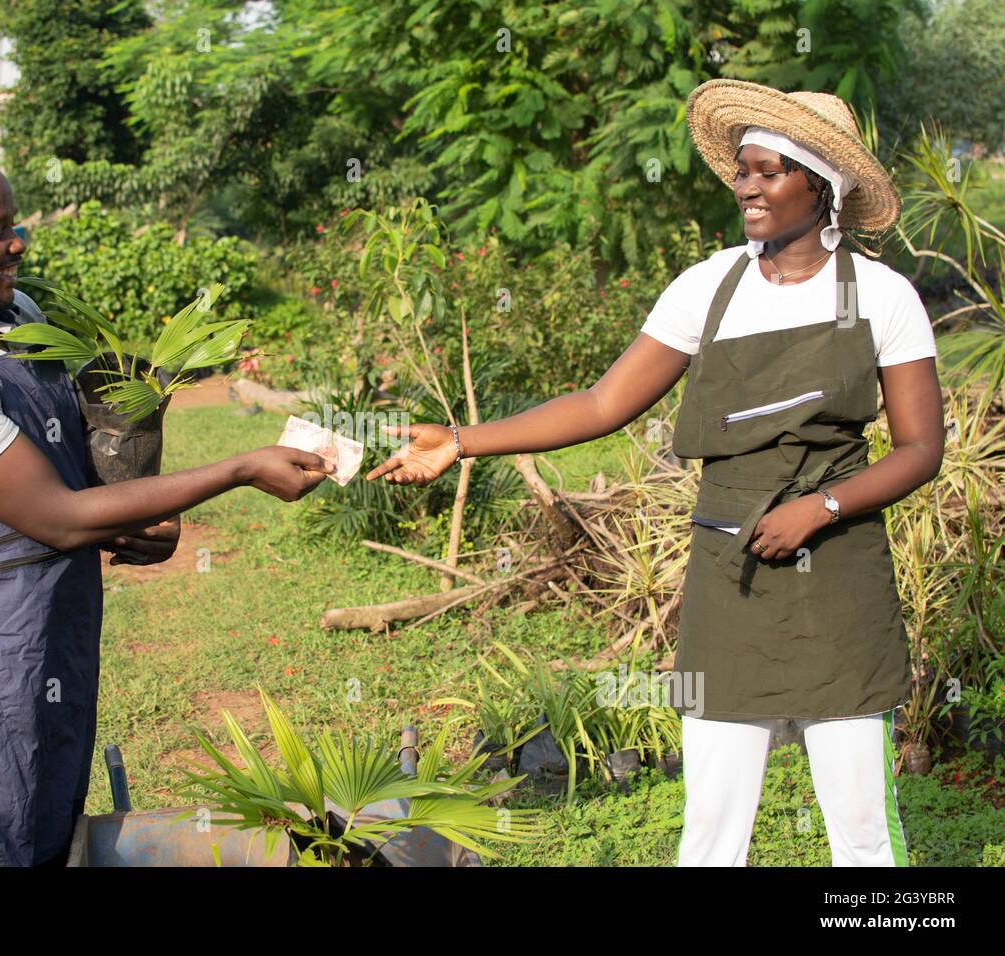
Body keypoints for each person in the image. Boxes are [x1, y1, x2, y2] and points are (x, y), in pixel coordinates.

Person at [365, 80, 943, 867]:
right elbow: (603, 402)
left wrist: (823, 506)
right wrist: (460, 442)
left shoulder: (882, 297)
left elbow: (920, 448)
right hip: (727, 571)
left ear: (822, 186)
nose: (745, 186)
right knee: (708, 831)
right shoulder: (709, 289)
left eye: (767, 171)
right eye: (741, 170)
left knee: (866, 836)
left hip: (839, 578)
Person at [0, 148, 333, 867]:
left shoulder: (16, 315)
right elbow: (56, 515)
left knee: (51, 826)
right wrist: (239, 467)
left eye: (14, 225)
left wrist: (139, 516)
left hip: (49, 625)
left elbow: (70, 451)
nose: (17, 244)